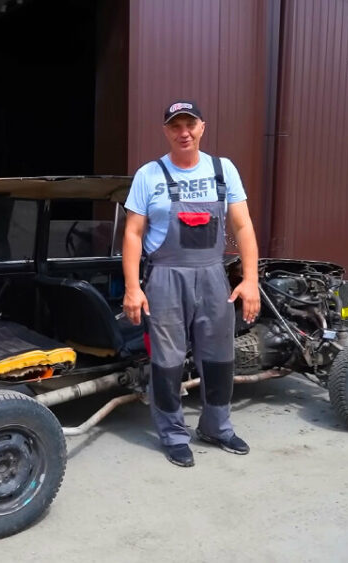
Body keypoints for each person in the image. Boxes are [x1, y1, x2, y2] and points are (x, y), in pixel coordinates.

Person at [122, 100, 261, 467]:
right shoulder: (148, 175)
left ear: (202, 127)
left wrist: (250, 279)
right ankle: (172, 434)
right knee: (167, 362)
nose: (183, 132)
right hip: (165, 277)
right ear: (165, 131)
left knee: (219, 359)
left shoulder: (223, 170)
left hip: (213, 275)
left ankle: (217, 427)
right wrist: (133, 287)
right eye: (175, 126)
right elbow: (133, 234)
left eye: (190, 124)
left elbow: (243, 226)